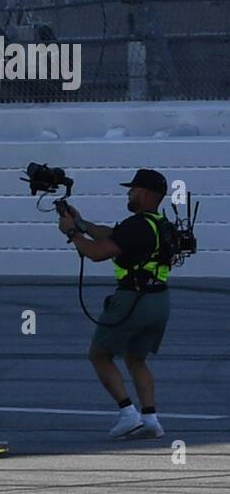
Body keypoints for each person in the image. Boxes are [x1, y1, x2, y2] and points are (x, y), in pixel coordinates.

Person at [57, 169, 173, 440]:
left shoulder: (138, 225)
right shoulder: (158, 223)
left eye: (132, 190)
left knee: (99, 355)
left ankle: (127, 414)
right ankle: (150, 419)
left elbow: (97, 253)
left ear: (145, 194)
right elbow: (113, 235)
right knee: (136, 358)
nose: (128, 194)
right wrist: (83, 223)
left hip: (133, 300)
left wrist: (72, 233)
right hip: (160, 302)